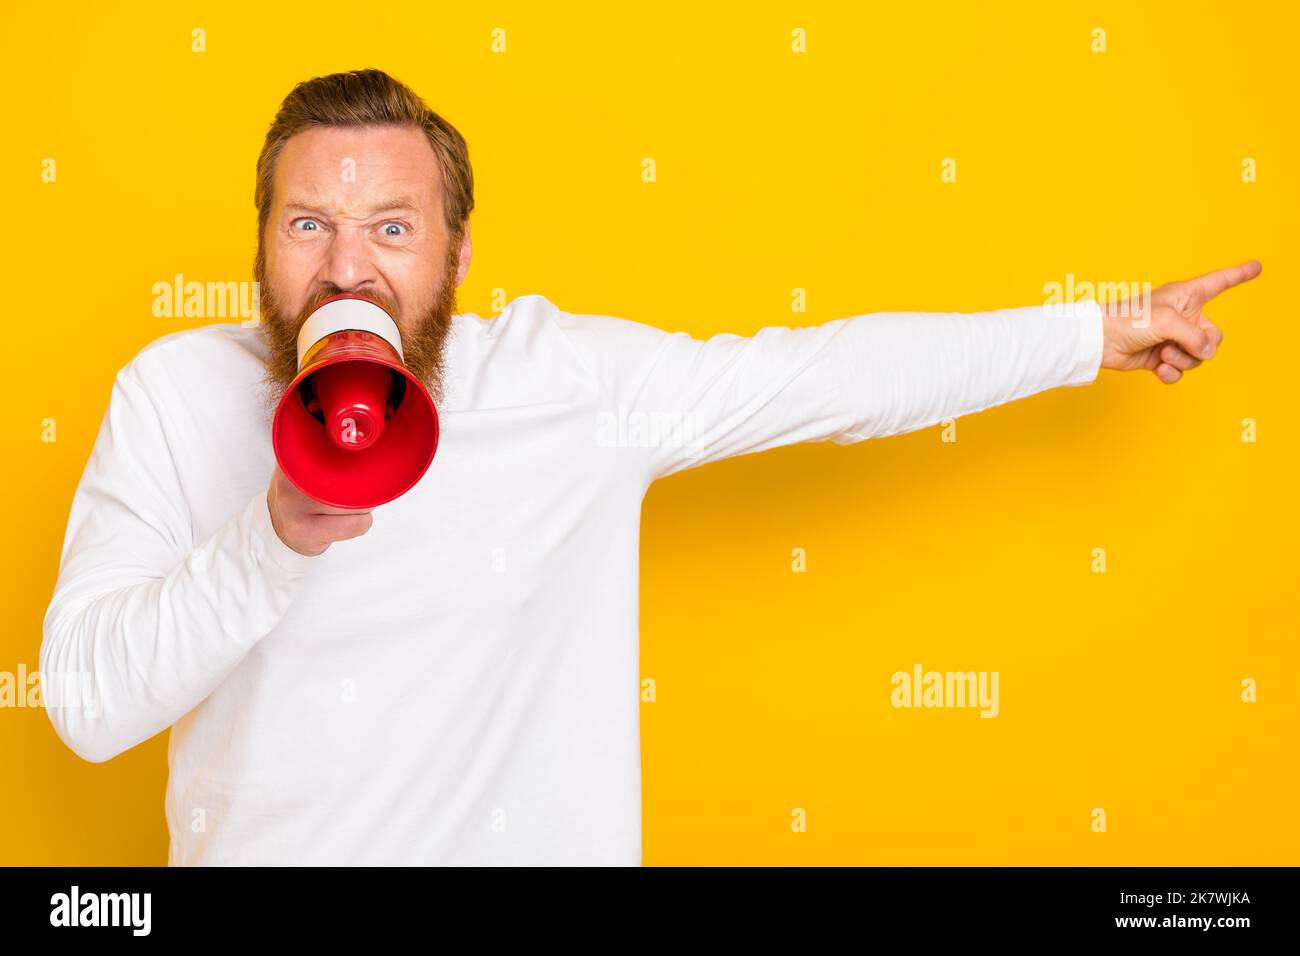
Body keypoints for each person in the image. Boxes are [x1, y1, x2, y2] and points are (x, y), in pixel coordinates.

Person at [39, 68, 1261, 865]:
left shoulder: (567, 384)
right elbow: (88, 708)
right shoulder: (172, 394)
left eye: (392, 228)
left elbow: (824, 374)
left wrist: (1088, 331)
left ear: (457, 252)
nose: (348, 270)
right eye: (310, 223)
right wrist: (273, 536)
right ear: (260, 238)